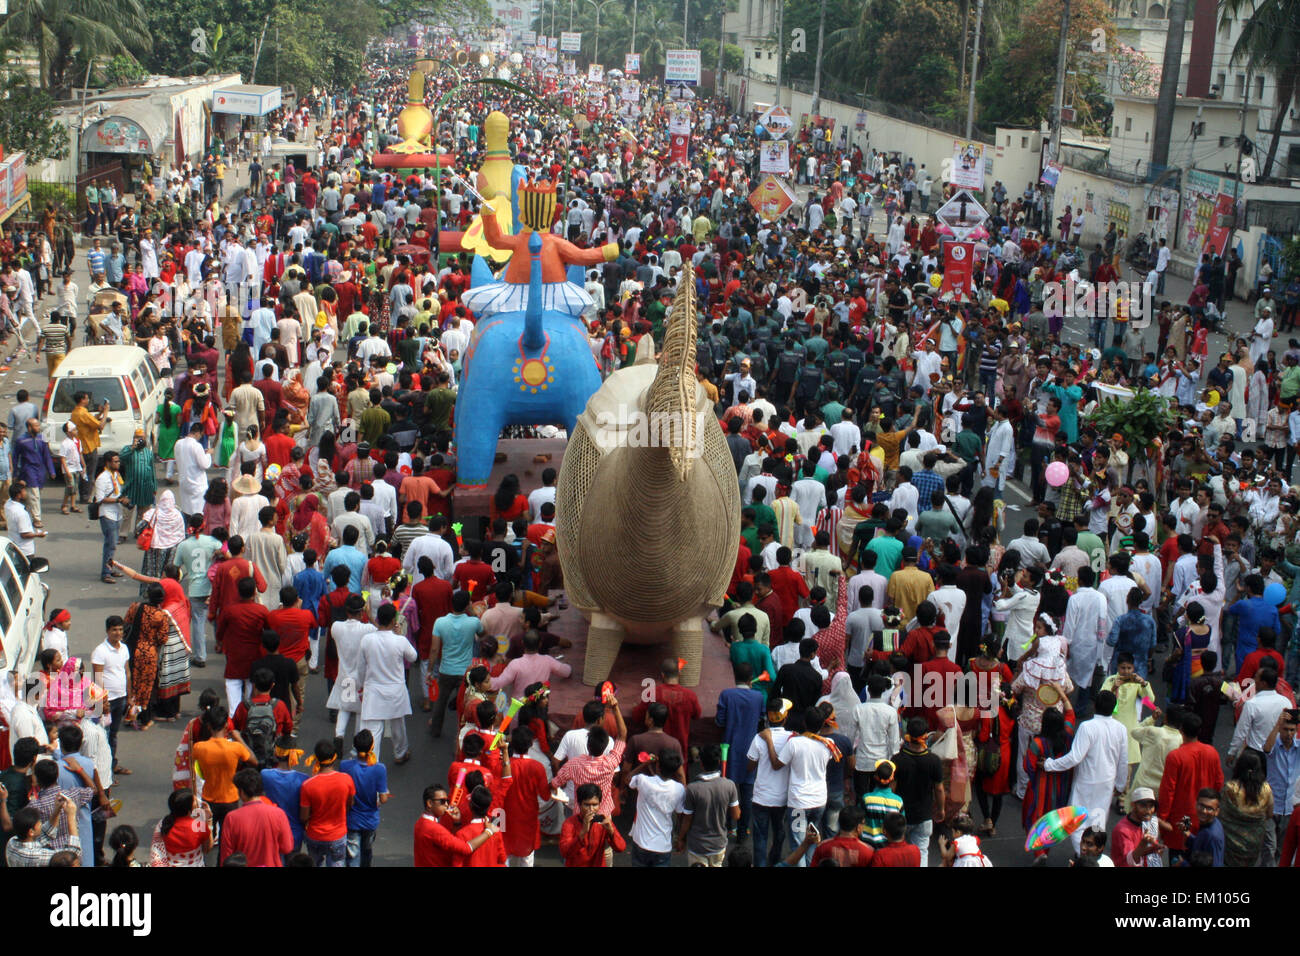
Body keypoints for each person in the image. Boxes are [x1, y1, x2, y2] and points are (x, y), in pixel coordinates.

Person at [1042, 689, 1131, 853]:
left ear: (1095, 705)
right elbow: (1123, 760)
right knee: (1098, 822)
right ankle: (1094, 853)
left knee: (1077, 823)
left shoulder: (1087, 727)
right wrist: (1120, 785)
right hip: (1107, 782)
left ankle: (1084, 855)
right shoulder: (1120, 728)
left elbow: (1075, 757)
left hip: (1086, 781)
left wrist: (1050, 764)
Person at [355, 603, 418, 764]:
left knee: (373, 729)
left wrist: (360, 685)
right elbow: (413, 657)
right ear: (393, 620)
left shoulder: (367, 640)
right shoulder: (400, 641)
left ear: (378, 619)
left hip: (374, 689)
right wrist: (400, 635)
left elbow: (361, 668)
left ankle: (372, 761)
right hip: (395, 690)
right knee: (398, 725)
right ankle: (400, 752)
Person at [675, 743, 740, 866]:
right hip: (718, 844)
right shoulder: (729, 785)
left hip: (697, 846)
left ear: (701, 763)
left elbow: (687, 820)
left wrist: (681, 839)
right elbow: (736, 815)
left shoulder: (692, 788)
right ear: (719, 761)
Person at [220, 769, 294, 867]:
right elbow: (287, 847)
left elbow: (226, 856)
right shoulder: (279, 814)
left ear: (241, 792)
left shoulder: (231, 818)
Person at [299, 739, 356, 867]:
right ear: (334, 758)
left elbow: (303, 817)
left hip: (315, 835)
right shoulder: (346, 780)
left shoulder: (308, 785)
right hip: (337, 835)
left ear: (316, 759)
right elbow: (350, 804)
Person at [340, 730, 390, 868]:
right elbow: (383, 798)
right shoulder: (379, 769)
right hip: (370, 819)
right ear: (372, 747)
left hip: (351, 819)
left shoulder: (345, 766)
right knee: (366, 851)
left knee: (352, 855)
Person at [1220, 750, 1274, 867]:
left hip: (1229, 841)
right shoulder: (1266, 789)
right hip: (1253, 843)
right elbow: (1269, 814)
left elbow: (1221, 811)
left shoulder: (1231, 788)